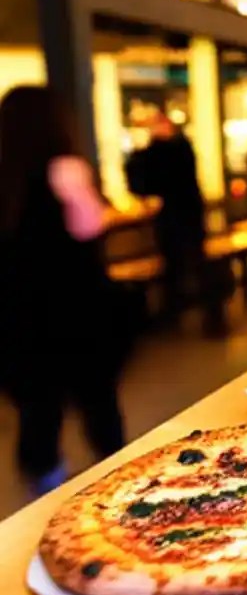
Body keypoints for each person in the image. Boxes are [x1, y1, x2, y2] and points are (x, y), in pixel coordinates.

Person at [0, 86, 128, 495]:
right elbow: (91, 227)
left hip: (19, 317)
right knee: (99, 405)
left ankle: (46, 491)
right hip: (76, 312)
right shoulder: (66, 170)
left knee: (38, 412)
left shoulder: (6, 177)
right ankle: (117, 489)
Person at [125, 114, 206, 320]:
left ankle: (175, 309)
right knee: (191, 261)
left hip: (171, 219)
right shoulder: (182, 149)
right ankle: (197, 308)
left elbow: (140, 180)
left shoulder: (156, 153)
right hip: (187, 216)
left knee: (175, 263)